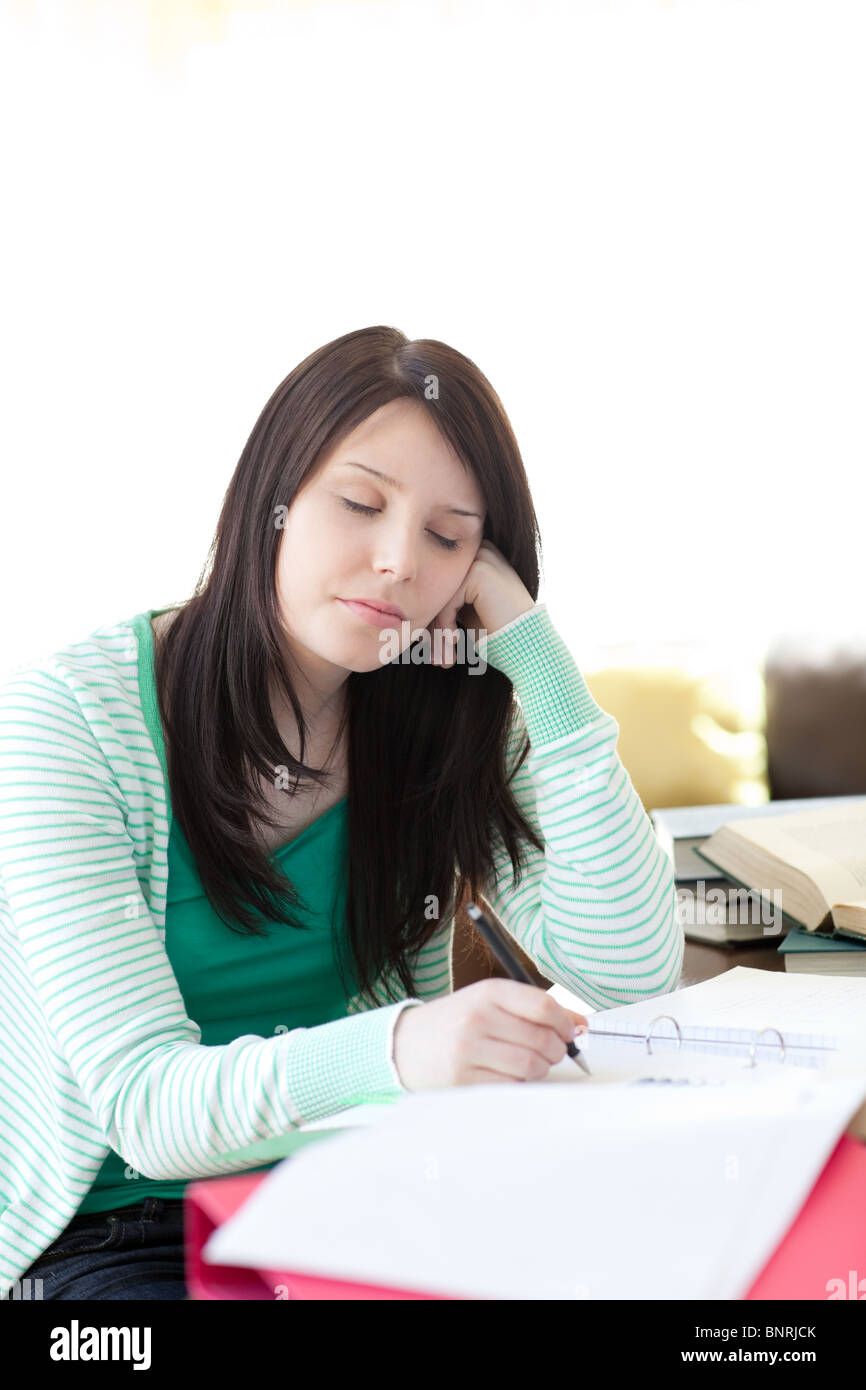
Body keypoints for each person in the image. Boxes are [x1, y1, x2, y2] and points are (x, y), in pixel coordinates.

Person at [0, 325, 683, 1300]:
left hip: (362, 1185)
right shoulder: (64, 719)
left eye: (449, 537)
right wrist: (405, 1046)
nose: (399, 561)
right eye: (360, 503)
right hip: (115, 1231)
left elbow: (625, 969)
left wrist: (532, 654)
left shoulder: (438, 715)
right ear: (268, 500)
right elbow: (148, 1111)